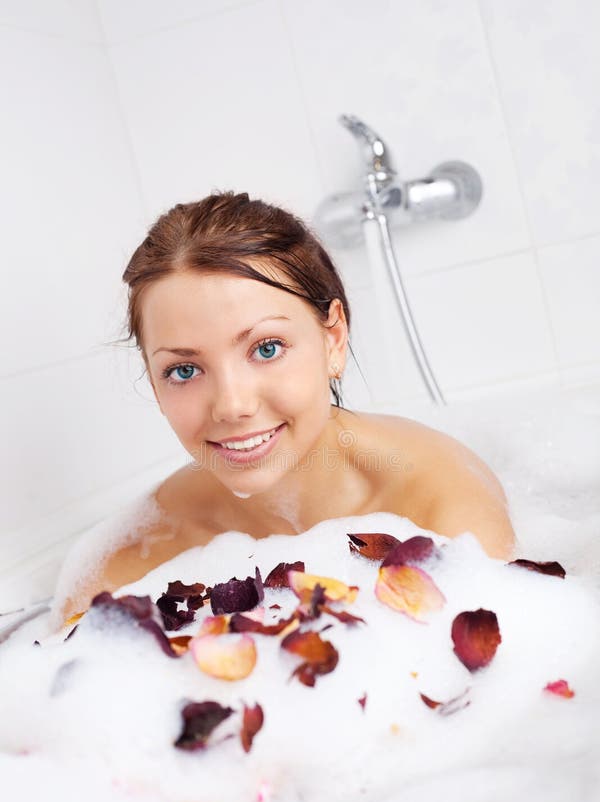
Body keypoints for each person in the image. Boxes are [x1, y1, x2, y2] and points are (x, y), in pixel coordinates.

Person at [57, 191, 516, 625]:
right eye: (183, 370)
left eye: (267, 348)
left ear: (332, 339)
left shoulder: (443, 514)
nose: (233, 405)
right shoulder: (133, 560)